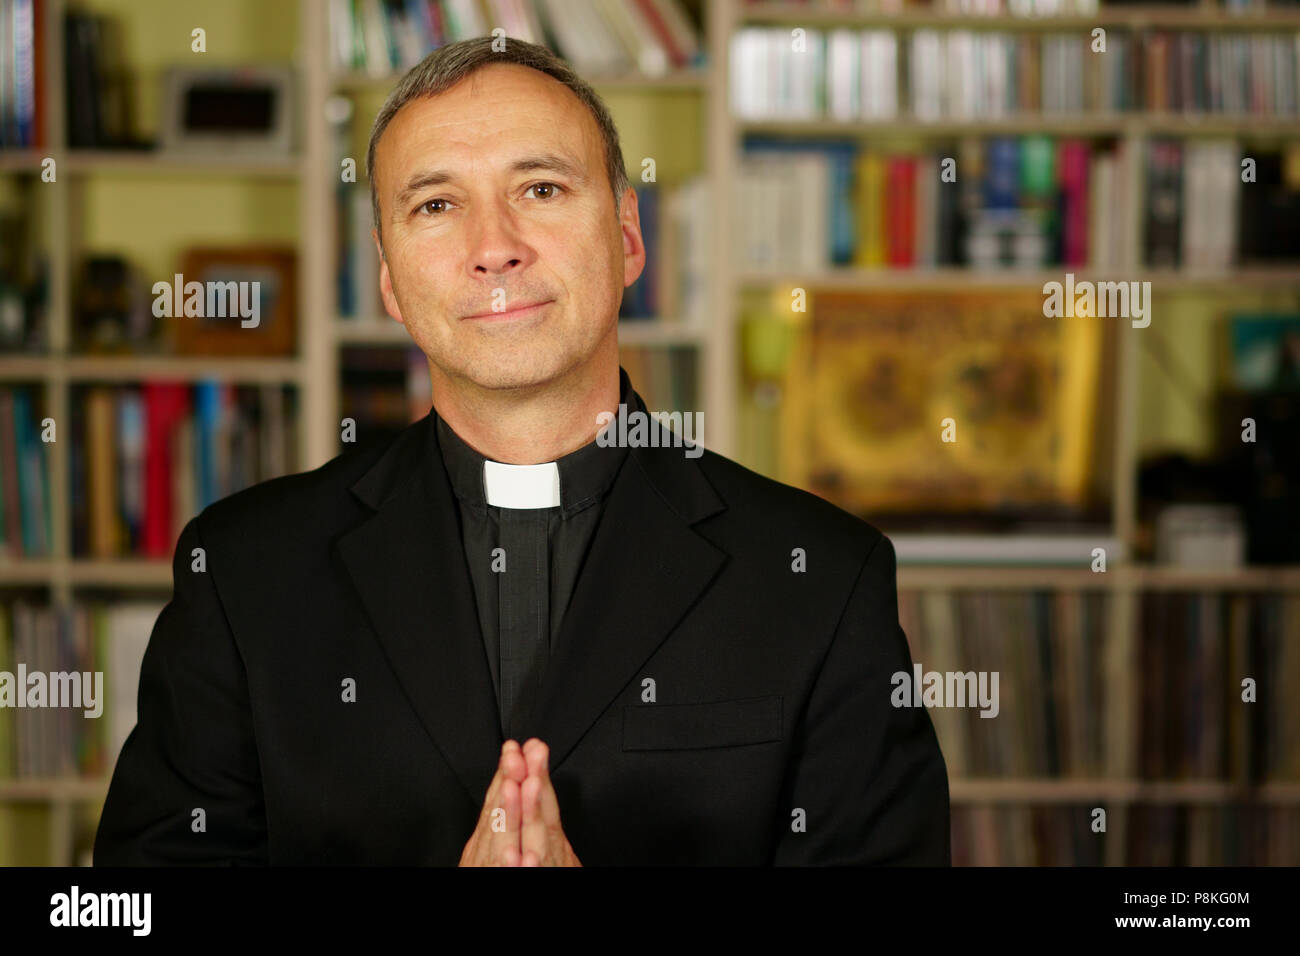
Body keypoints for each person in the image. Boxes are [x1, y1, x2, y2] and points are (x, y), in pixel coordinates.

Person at [93, 36, 949, 866]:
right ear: (390, 278)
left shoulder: (825, 581)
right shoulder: (242, 575)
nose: (493, 245)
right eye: (435, 205)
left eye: (540, 188)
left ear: (627, 240)